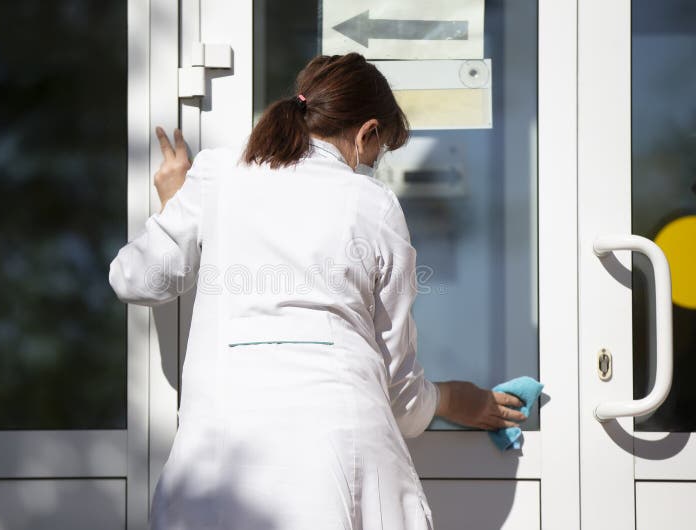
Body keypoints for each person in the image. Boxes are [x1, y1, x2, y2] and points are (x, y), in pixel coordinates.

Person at [108, 52, 528, 530]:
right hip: (337, 470)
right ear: (367, 132)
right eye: (375, 155)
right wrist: (460, 400)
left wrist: (175, 205)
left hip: (220, 472)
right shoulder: (373, 203)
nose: (369, 168)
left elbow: (133, 278)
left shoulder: (219, 174)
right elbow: (399, 397)